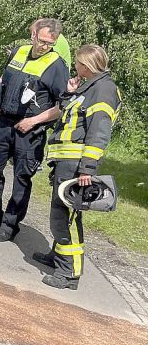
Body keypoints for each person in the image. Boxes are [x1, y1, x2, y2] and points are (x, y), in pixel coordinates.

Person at [0, 18, 69, 242]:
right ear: (33, 35)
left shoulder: (57, 66)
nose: (44, 47)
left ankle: (10, 225)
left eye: (50, 44)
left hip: (29, 130)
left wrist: (33, 122)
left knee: (22, 178)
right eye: (41, 41)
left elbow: (61, 107)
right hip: (3, 122)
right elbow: (5, 79)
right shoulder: (19, 51)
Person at [33, 44, 121, 289]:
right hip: (66, 162)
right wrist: (69, 93)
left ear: (88, 64)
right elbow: (71, 117)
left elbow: (98, 133)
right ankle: (58, 256)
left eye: (79, 63)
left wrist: (87, 169)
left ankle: (68, 272)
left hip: (76, 165)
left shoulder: (103, 90)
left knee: (65, 218)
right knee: (62, 214)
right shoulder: (90, 86)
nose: (76, 67)